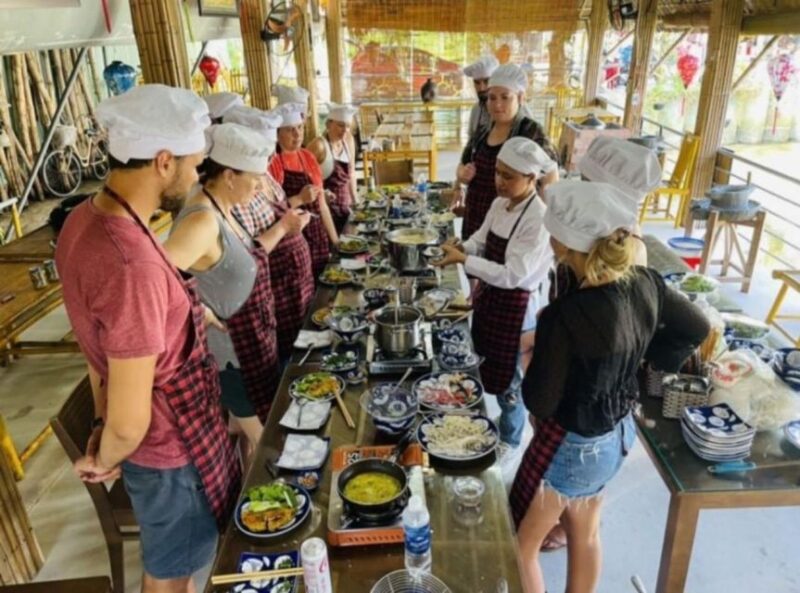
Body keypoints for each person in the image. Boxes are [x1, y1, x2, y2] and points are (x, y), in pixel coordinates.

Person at [54, 84, 240, 593]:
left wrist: (99, 424)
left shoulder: (82, 220)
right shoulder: (132, 263)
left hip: (157, 443)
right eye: (193, 163)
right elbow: (132, 420)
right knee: (170, 577)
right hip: (167, 450)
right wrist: (107, 454)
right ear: (163, 161)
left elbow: (102, 349)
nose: (197, 174)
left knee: (169, 563)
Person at [509, 180, 710, 593]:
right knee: (586, 534)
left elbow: (541, 402)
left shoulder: (564, 315)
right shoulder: (645, 281)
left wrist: (528, 357)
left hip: (576, 446)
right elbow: (697, 326)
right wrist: (641, 364)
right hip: (618, 434)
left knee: (522, 548)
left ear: (562, 247)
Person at [162, 123, 308, 465]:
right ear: (229, 175)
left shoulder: (222, 206)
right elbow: (154, 281)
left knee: (251, 442)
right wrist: (202, 311)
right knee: (275, 452)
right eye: (254, 180)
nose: (259, 189)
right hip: (232, 356)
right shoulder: (201, 221)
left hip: (253, 343)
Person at [434, 137, 555, 458]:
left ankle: (512, 438)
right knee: (488, 363)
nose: (499, 181)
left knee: (512, 379)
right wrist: (464, 248)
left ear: (532, 178)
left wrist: (465, 261)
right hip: (491, 298)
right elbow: (481, 239)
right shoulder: (499, 203)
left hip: (518, 308)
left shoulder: (539, 219)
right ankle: (504, 417)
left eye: (509, 176)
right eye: (498, 173)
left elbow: (513, 275)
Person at [224, 106, 317, 361]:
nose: (268, 158)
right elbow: (249, 250)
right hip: (277, 286)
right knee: (290, 355)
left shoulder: (264, 175)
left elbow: (283, 207)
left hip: (297, 283)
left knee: (305, 348)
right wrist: (285, 226)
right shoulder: (239, 192)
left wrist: (294, 219)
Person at [548, 136, 662, 305]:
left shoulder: (629, 248)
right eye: (582, 181)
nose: (581, 190)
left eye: (588, 183)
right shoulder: (590, 228)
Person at [456, 64, 559, 241]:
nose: (497, 105)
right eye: (492, 98)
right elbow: (462, 163)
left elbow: (550, 177)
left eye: (505, 97)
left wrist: (542, 224)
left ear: (520, 97)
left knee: (501, 265)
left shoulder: (530, 132)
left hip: (510, 222)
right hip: (476, 215)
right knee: (472, 259)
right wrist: (462, 177)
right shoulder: (483, 131)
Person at [269, 102, 339, 279]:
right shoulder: (273, 163)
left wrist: (336, 243)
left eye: (299, 127)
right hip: (291, 242)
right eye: (290, 129)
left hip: (317, 236)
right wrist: (300, 199)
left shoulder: (307, 157)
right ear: (277, 134)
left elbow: (321, 204)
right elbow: (273, 212)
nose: (297, 134)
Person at [307, 103, 359, 232]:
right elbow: (305, 179)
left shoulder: (349, 140)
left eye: (347, 126)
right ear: (328, 124)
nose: (345, 130)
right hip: (326, 210)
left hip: (345, 207)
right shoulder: (319, 145)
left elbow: (351, 172)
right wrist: (321, 192)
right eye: (340, 125)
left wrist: (356, 201)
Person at [463, 55, 499, 138]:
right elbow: (471, 142)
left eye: (487, 81)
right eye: (477, 82)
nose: (481, 88)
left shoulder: (510, 109)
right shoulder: (476, 110)